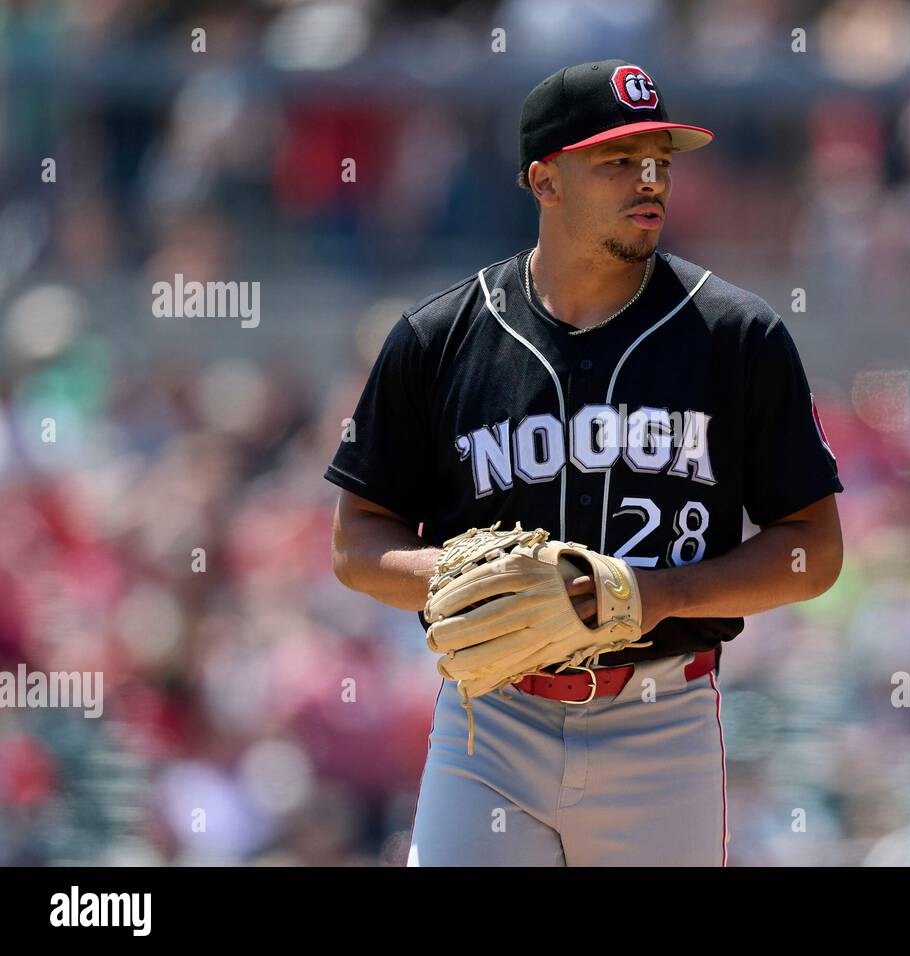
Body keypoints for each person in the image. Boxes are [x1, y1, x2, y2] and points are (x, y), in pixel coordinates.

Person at [326, 59, 843, 866]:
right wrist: (462, 580)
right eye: (617, 162)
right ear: (545, 180)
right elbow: (355, 542)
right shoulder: (440, 338)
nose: (649, 182)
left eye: (660, 162)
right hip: (490, 717)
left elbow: (815, 552)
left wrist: (659, 594)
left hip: (660, 722)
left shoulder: (738, 337)